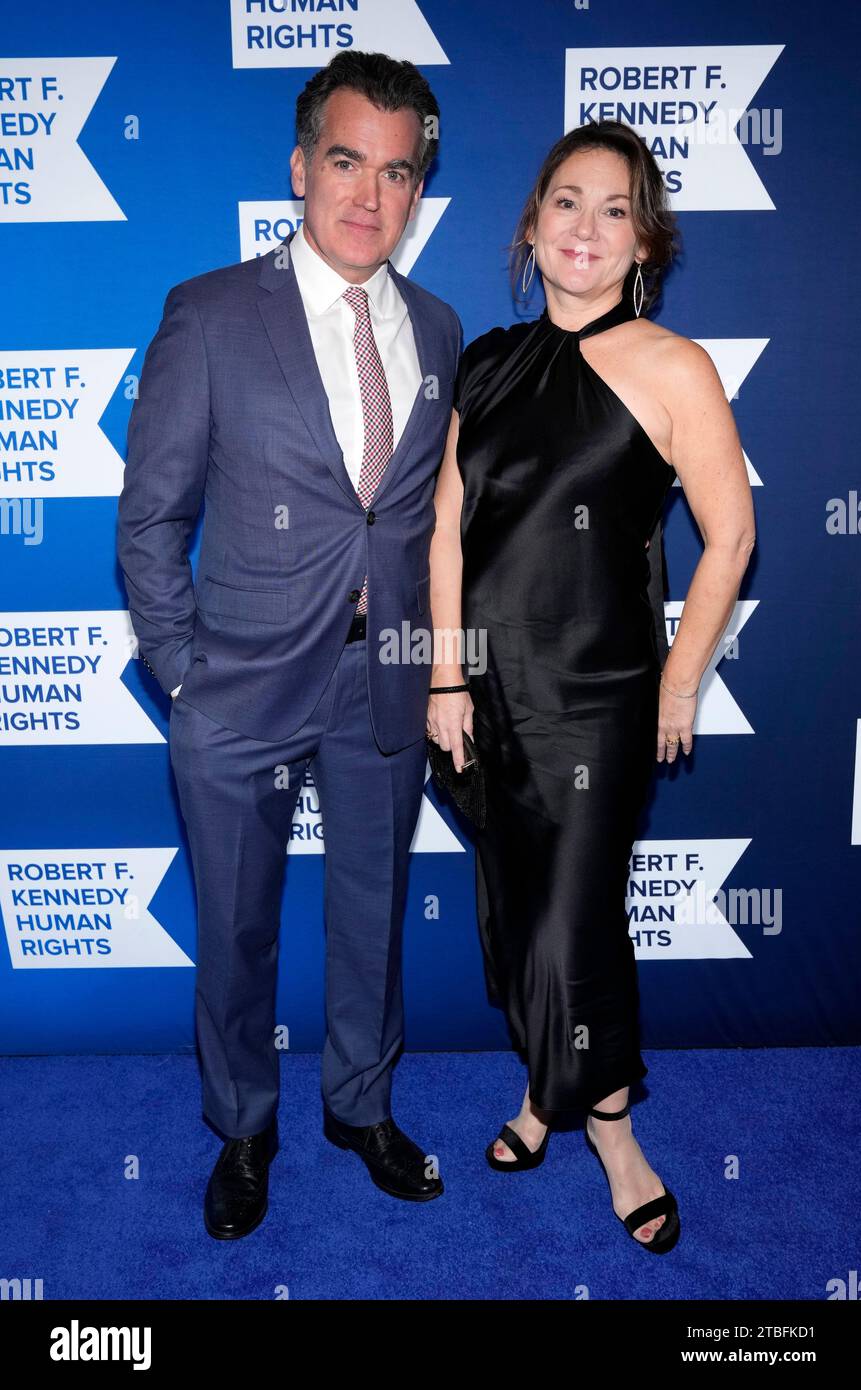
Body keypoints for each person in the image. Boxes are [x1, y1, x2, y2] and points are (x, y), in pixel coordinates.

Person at [117, 51, 462, 1238]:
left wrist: (432, 663)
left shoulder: (437, 326)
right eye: (347, 161)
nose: (371, 196)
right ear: (301, 167)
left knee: (372, 916)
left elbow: (415, 520)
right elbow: (151, 519)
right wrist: (184, 676)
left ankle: (358, 1106)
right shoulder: (210, 312)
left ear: (418, 190)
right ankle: (244, 1127)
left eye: (399, 172)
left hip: (383, 683)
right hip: (241, 688)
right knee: (237, 927)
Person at [426, 119, 755, 1253]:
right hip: (486, 696)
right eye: (567, 201)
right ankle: (537, 1091)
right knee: (518, 910)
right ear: (532, 224)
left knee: (574, 920)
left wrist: (677, 683)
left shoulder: (671, 366)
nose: (585, 226)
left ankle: (610, 1128)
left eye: (614, 208)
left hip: (602, 697)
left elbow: (729, 537)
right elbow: (442, 530)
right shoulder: (485, 361)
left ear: (640, 243)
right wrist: (446, 674)